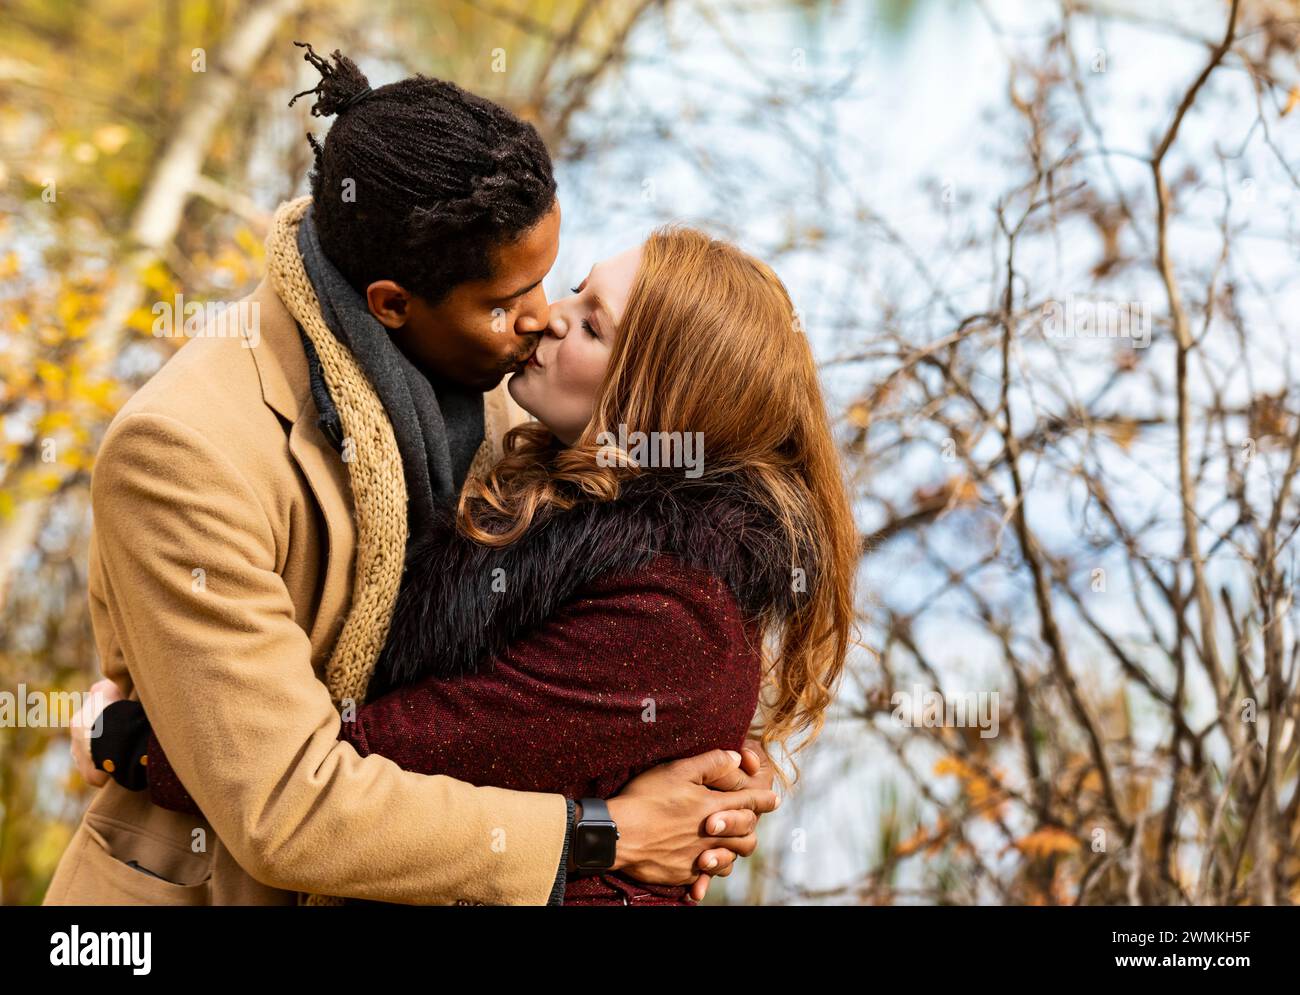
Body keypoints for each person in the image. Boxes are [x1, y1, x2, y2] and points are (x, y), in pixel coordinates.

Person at [46, 43, 776, 907]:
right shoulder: (185, 450)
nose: (541, 320)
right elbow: (285, 802)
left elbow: (517, 699)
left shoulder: (505, 398)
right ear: (392, 302)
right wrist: (602, 831)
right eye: (513, 299)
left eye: (553, 283)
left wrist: (696, 768)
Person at [88, 225, 859, 905]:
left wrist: (129, 743)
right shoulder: (547, 497)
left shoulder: (669, 614)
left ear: (655, 403)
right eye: (579, 288)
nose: (553, 316)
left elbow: (378, 758)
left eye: (593, 325)